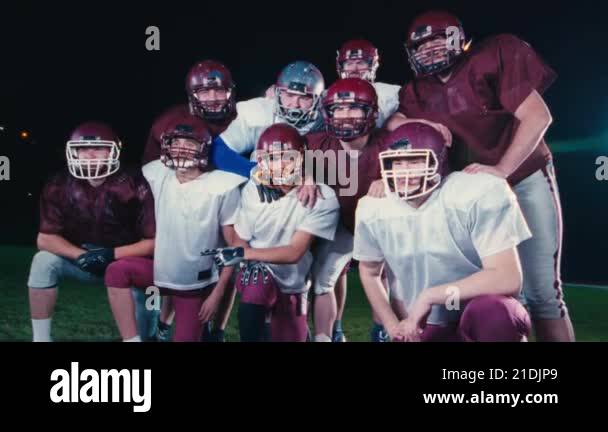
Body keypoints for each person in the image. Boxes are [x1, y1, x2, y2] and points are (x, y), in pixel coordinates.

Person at [386, 10, 573, 341]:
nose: (428, 50)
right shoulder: (417, 92)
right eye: (421, 46)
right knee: (498, 296)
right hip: (476, 196)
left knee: (544, 293)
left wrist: (501, 170)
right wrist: (424, 125)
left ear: (459, 39)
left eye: (437, 41)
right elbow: (392, 123)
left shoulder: (496, 53)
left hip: (524, 178)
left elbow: (538, 116)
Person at [355, 122, 532, 342]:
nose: (403, 172)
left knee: (495, 313)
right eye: (396, 162)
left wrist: (432, 296)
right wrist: (391, 324)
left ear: (438, 162)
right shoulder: (373, 207)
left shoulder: (475, 192)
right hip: (420, 322)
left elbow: (507, 278)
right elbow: (370, 271)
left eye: (415, 161)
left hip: (471, 310)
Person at [107, 114, 244, 342]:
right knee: (116, 271)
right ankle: (133, 340)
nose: (180, 149)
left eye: (189, 143)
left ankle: (171, 325)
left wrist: (217, 293)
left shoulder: (222, 185)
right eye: (175, 143)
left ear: (203, 148)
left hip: (194, 285)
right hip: (160, 274)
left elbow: (236, 246)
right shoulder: (157, 172)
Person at [203, 124, 339, 342]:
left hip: (294, 281)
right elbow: (239, 242)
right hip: (259, 275)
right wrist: (219, 290)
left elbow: (294, 252)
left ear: (301, 156)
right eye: (271, 158)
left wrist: (244, 255)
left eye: (286, 157)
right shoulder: (253, 189)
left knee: (292, 334)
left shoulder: (323, 196)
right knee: (257, 280)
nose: (278, 166)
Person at [28, 121, 156, 342]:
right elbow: (45, 238)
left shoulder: (137, 184)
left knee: (145, 337)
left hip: (127, 262)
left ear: (113, 150)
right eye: (83, 149)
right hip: (83, 259)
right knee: (43, 261)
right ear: (72, 153)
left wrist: (110, 255)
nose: (90, 155)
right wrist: (81, 256)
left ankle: (144, 335)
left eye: (98, 148)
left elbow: (155, 241)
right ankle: (40, 339)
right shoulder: (59, 184)